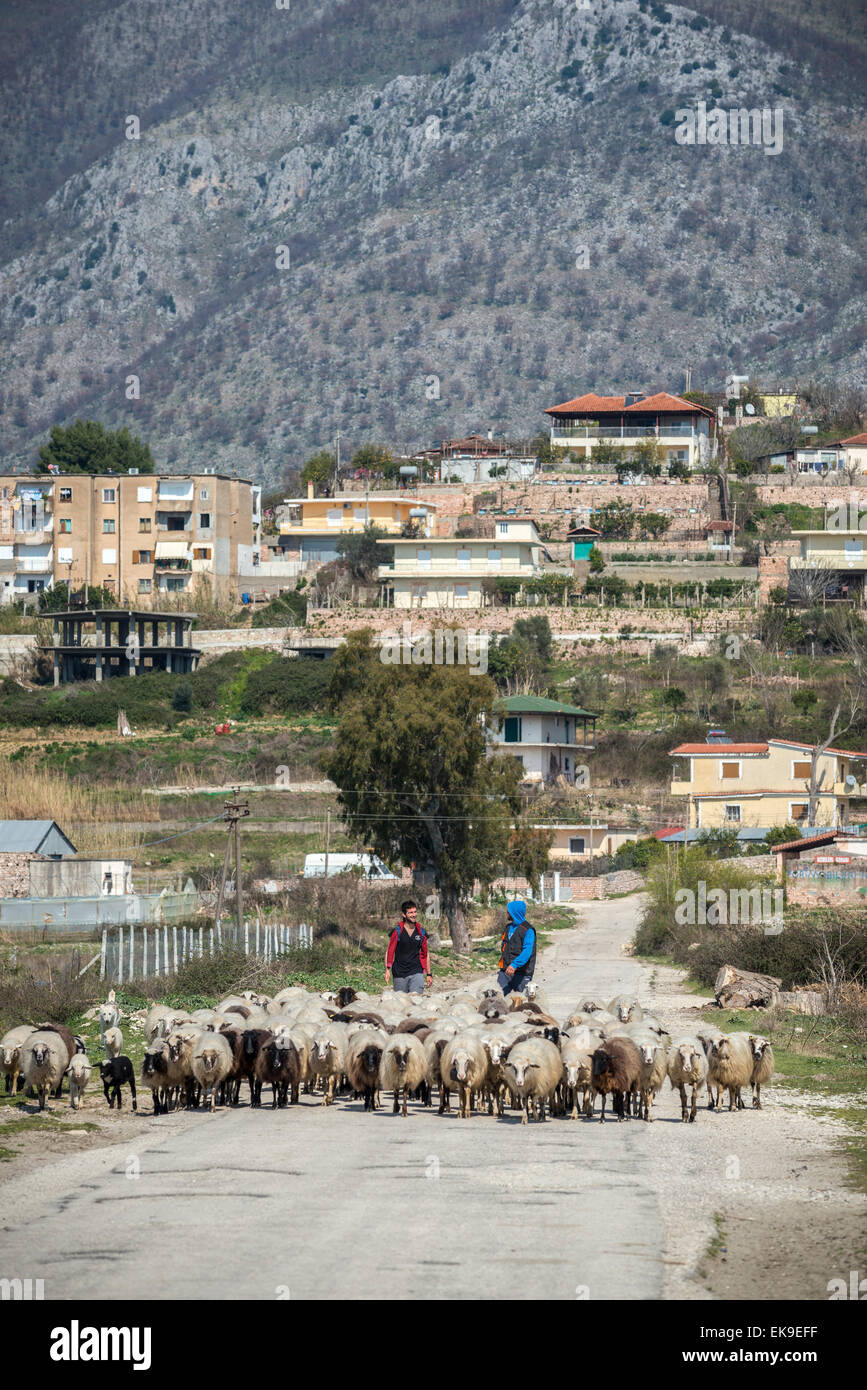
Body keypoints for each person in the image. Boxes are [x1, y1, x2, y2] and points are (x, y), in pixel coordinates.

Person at [385, 900, 432, 994]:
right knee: (402, 1003)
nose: (414, 915)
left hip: (416, 971)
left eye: (415, 912)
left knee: (416, 1000)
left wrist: (429, 974)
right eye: (410, 912)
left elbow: (425, 954)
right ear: (404, 915)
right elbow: (389, 951)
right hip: (399, 973)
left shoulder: (421, 932)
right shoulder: (397, 931)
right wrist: (387, 970)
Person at [497, 899, 536, 996]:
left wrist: (515, 964)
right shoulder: (508, 928)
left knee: (520, 1004)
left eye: (508, 911)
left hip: (521, 974)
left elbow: (527, 951)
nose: (507, 913)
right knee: (501, 1002)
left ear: (514, 912)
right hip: (505, 973)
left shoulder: (528, 930)